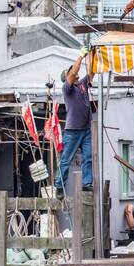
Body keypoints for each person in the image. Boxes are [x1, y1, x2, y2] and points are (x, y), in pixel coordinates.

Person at [57, 50, 94, 193]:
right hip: (73, 130)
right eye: (71, 72)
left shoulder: (82, 84)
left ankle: (87, 183)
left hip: (86, 129)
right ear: (67, 77)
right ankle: (60, 186)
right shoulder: (67, 88)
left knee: (88, 157)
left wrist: (92, 54)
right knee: (66, 159)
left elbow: (91, 72)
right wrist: (81, 55)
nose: (75, 72)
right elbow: (73, 73)